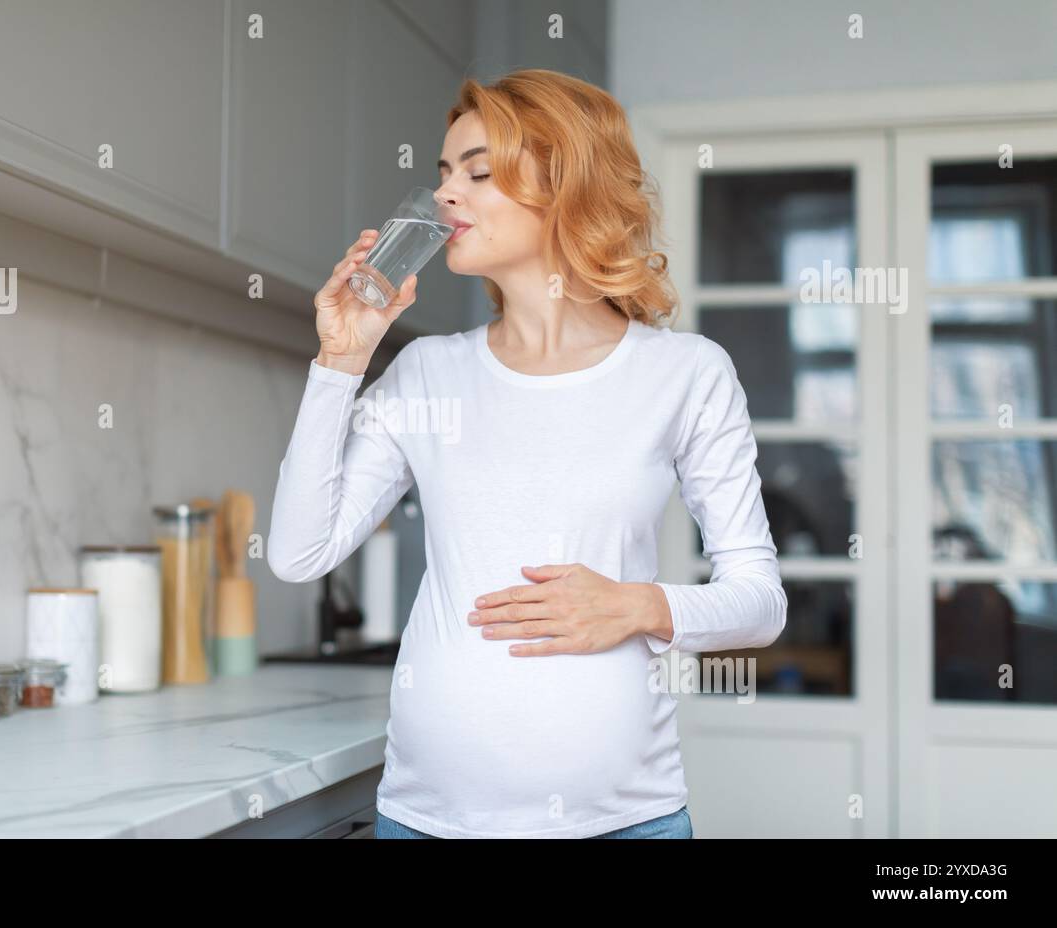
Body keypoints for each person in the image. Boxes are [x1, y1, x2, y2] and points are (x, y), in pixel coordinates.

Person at [267, 69, 787, 839]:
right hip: (427, 822)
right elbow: (298, 554)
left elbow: (761, 602)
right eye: (444, 174)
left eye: (479, 172)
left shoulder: (684, 373)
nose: (447, 194)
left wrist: (635, 604)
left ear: (567, 185)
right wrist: (340, 362)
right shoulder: (426, 373)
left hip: (625, 824)